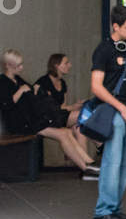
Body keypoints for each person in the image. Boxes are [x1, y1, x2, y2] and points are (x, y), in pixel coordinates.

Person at [0, 49, 98, 177]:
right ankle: (86, 169)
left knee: (67, 132)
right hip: (20, 124)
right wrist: (20, 91)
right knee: (63, 134)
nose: (21, 68)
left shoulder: (18, 79)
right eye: (18, 65)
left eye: (21, 64)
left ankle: (89, 163)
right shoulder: (2, 82)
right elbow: (5, 105)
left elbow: (31, 93)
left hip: (31, 120)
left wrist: (34, 90)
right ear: (8, 65)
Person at [90, 7, 126, 219]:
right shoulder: (103, 50)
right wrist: (122, 108)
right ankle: (104, 210)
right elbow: (96, 87)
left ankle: (115, 207)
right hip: (114, 112)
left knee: (124, 163)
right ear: (115, 27)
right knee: (112, 162)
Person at [33, 53, 85, 131]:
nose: (70, 65)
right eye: (66, 63)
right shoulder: (43, 82)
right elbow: (48, 109)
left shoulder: (62, 83)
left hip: (59, 115)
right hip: (47, 119)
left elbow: (63, 106)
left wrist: (76, 105)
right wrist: (73, 107)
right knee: (83, 115)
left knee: (79, 125)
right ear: (56, 66)